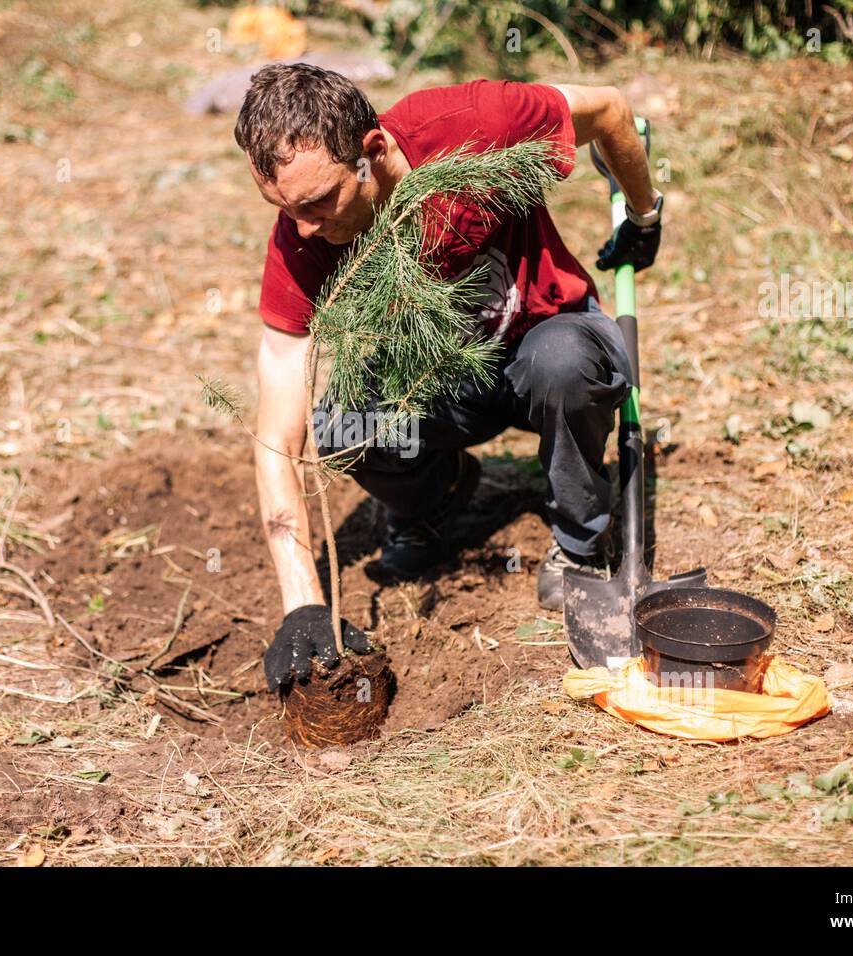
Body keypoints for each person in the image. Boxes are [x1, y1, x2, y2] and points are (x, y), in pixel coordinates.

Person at [235, 64, 663, 690]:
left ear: (371, 152)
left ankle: (578, 542)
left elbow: (609, 109)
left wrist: (644, 215)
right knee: (341, 426)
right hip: (444, 384)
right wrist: (302, 602)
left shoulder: (473, 127)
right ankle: (434, 499)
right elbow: (278, 433)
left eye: (318, 201)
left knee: (562, 364)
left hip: (547, 343)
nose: (303, 227)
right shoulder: (304, 236)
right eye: (283, 209)